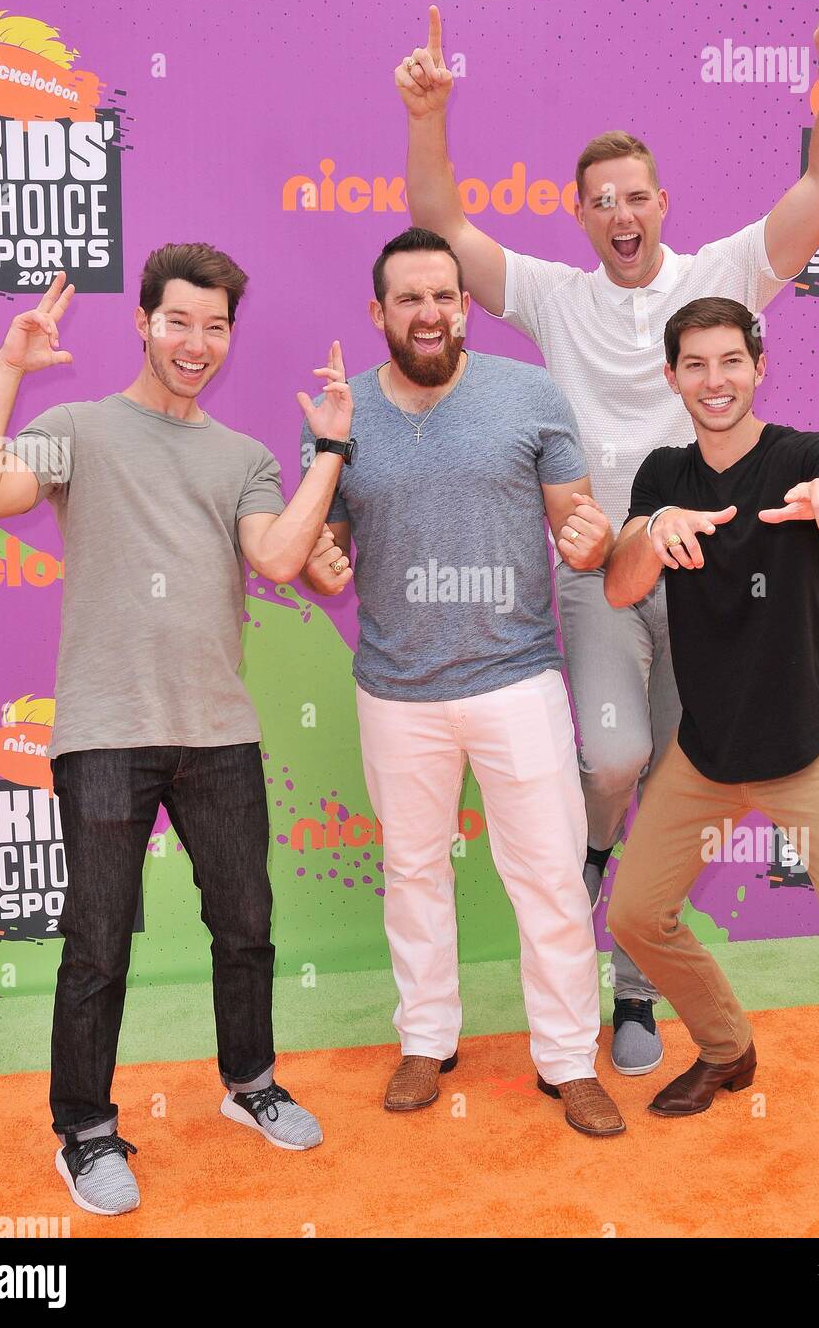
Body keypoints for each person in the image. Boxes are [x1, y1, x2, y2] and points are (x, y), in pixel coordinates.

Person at [394, 0, 819, 1076]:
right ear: (580, 213)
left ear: (662, 204)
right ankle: (583, 863)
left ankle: (633, 989)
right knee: (611, 762)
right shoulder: (554, 295)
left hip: (710, 580)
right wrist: (427, 114)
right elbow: (437, 225)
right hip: (604, 569)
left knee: (675, 778)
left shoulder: (714, 277)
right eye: (598, 199)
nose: (618, 213)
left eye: (634, 195)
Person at [0, 248, 356, 1215]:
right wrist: (8, 364)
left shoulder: (245, 457)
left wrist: (330, 452)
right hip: (106, 729)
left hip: (218, 731)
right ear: (141, 322)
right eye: (179, 322)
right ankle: (85, 1135)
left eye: (215, 326)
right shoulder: (78, 428)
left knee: (245, 924)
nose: (197, 344)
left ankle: (249, 1083)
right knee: (95, 945)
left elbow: (282, 555)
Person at [604, 297, 819, 1193]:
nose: (714, 381)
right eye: (695, 366)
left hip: (810, 742)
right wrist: (649, 531)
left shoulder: (801, 455)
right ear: (670, 377)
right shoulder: (663, 470)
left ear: (756, 367)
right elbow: (620, 582)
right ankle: (727, 1047)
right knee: (634, 914)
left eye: (729, 362)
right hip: (708, 752)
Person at [300, 227, 625, 1137]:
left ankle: (567, 1060)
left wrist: (592, 539)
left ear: (466, 304)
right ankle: (424, 1040)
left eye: (443, 295)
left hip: (517, 679)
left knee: (553, 880)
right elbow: (326, 555)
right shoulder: (339, 412)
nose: (429, 312)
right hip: (395, 689)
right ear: (378, 312)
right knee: (411, 876)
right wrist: (324, 561)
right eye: (408, 298)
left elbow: (581, 523)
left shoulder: (528, 394)